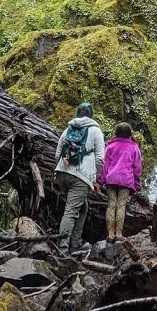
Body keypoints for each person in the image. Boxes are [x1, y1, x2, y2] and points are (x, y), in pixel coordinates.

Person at [54, 102, 105, 255]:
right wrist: (94, 177)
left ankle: (75, 244)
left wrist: (59, 169)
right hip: (81, 176)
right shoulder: (95, 131)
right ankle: (63, 248)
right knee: (71, 210)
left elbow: (58, 154)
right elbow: (100, 159)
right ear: (92, 115)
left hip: (62, 173)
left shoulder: (68, 128)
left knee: (83, 208)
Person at [97, 122, 142, 242]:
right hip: (125, 180)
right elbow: (137, 167)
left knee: (111, 205)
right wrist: (137, 184)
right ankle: (119, 233)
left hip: (111, 179)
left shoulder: (110, 146)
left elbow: (104, 165)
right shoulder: (134, 147)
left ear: (116, 133)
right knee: (121, 206)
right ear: (130, 133)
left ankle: (110, 234)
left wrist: (100, 181)